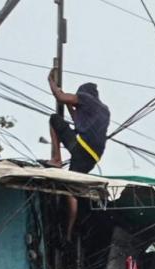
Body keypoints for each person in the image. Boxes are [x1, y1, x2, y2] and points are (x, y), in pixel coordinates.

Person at [46, 71, 110, 238]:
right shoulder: (104, 110)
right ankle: (69, 233)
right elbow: (79, 121)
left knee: (54, 119)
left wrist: (51, 82)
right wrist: (70, 106)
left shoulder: (86, 98)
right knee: (71, 188)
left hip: (82, 148)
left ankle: (56, 159)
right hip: (93, 157)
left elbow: (60, 97)